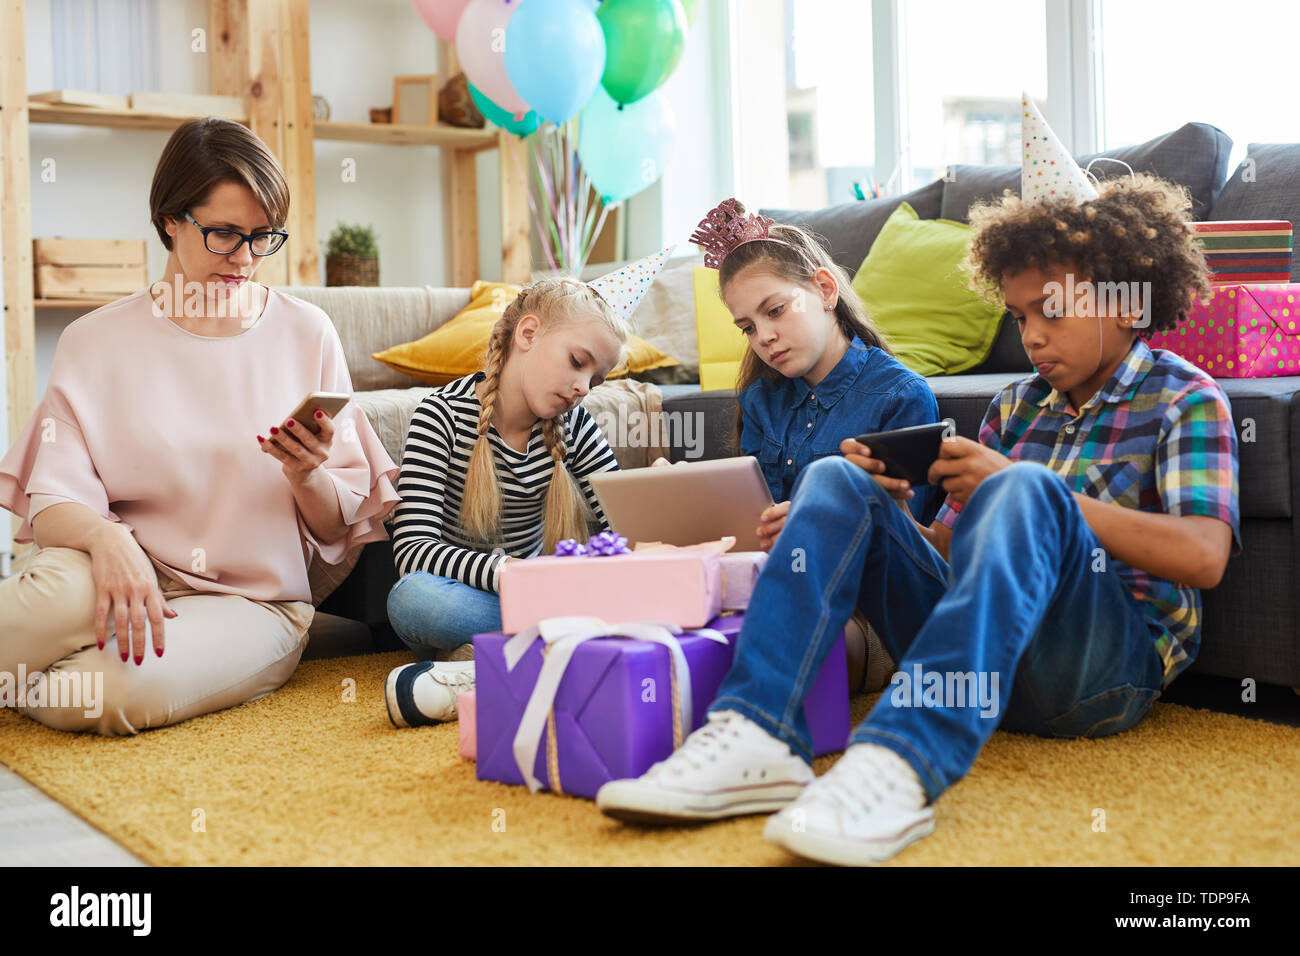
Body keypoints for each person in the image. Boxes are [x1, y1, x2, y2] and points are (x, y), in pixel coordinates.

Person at [597, 157, 1239, 863]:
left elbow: (1203, 558)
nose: (1031, 336)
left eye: (1050, 312)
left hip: (1099, 676)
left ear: (1127, 301)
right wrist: (896, 517)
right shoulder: (1016, 406)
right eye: (1019, 315)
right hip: (987, 669)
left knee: (1026, 487)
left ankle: (901, 759)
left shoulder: (1186, 399)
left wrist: (1020, 484)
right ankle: (758, 732)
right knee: (841, 478)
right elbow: (951, 557)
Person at [0, 117, 400, 735]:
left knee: (112, 694)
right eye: (224, 234)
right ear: (169, 220)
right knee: (20, 617)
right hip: (122, 567)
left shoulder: (307, 333)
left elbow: (333, 527)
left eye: (264, 237)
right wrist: (111, 543)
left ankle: (20, 682)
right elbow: (51, 502)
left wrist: (305, 474)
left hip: (250, 603)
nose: (245, 258)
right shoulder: (94, 341)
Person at [383, 253, 670, 728]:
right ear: (529, 334)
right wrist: (513, 574)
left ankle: (487, 664)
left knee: (633, 582)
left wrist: (653, 496)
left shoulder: (573, 423)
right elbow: (414, 552)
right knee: (413, 599)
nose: (582, 388)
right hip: (472, 599)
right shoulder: (441, 415)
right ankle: (567, 639)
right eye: (577, 362)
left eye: (596, 379)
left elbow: (617, 522)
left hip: (539, 596)